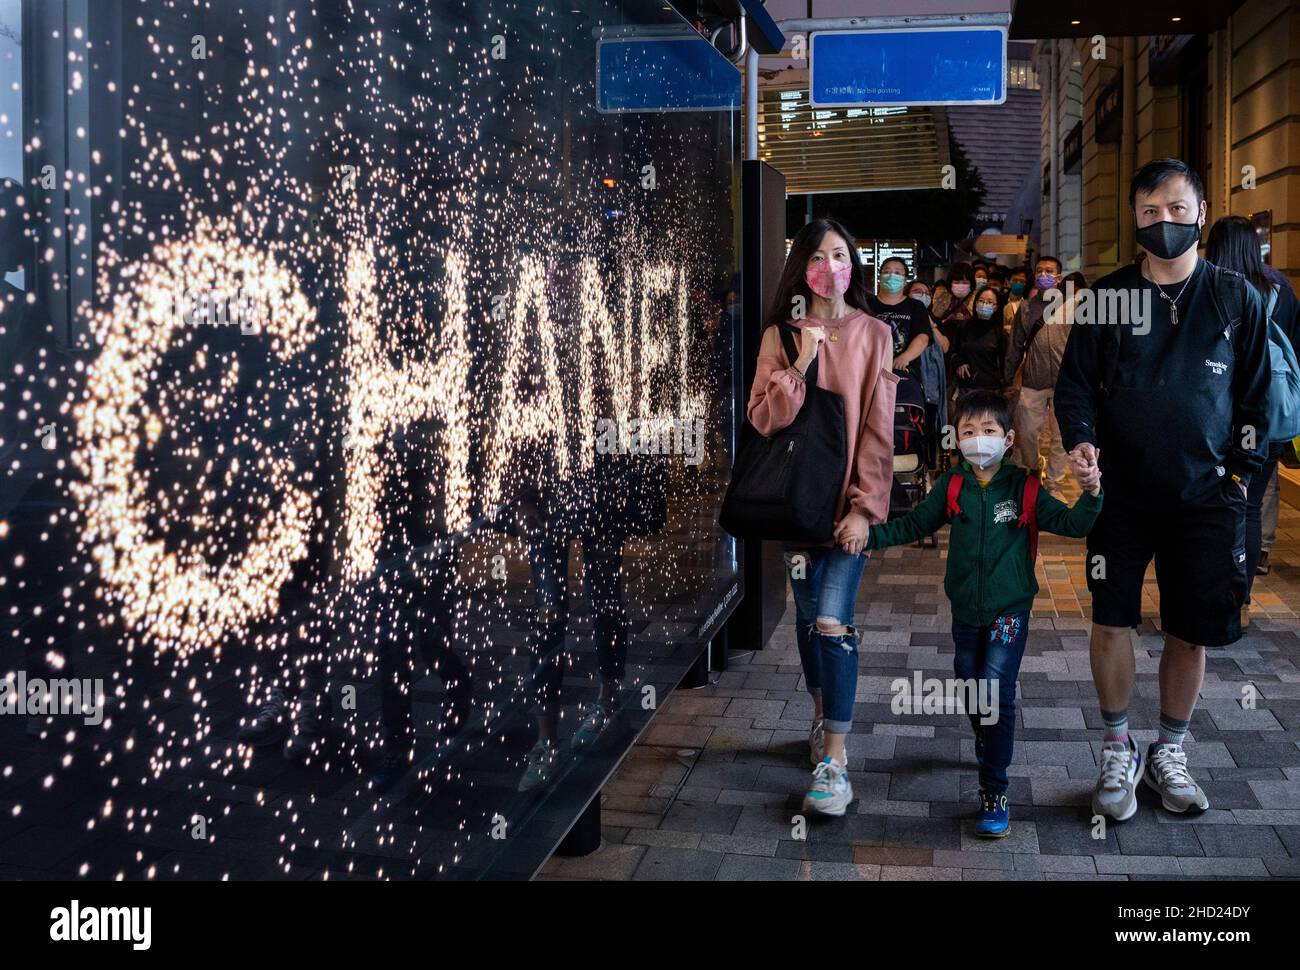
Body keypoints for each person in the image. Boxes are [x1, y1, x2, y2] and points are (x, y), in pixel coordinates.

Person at [1055, 157, 1271, 821]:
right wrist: (1082, 442)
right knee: (1111, 616)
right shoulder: (1108, 298)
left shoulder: (1236, 297)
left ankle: (1168, 752)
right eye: (1151, 212)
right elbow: (1074, 387)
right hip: (1120, 496)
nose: (1165, 222)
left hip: (1207, 500)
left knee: (1191, 628)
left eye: (1177, 209)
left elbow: (1257, 401)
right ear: (1136, 219)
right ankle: (1117, 747)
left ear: (1201, 213)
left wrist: (1235, 476)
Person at [868, 390, 1102, 836]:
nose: (979, 440)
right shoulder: (952, 485)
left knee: (994, 688)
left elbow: (1076, 524)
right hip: (965, 610)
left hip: (1010, 610)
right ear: (956, 439)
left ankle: (994, 787)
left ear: (1009, 439)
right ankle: (987, 735)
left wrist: (1091, 492)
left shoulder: (1025, 488)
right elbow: (915, 525)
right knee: (971, 683)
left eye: (989, 431)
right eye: (969, 432)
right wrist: (868, 538)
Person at [746, 216, 897, 817]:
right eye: (818, 256)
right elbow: (765, 417)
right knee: (809, 622)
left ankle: (834, 762)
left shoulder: (875, 334)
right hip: (796, 512)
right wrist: (801, 361)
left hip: (845, 515)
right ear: (801, 268)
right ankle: (820, 714)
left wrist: (865, 509)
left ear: (853, 263)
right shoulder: (779, 337)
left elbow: (877, 431)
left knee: (833, 622)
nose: (830, 267)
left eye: (841, 254)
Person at [1205, 215, 1300, 591]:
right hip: (1270, 413)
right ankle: (1239, 594)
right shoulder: (1281, 289)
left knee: (1216, 502)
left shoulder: (1210, 286)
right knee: (1250, 503)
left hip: (1220, 414)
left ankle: (1214, 586)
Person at [1002, 257, 1073, 495]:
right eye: (1040, 270)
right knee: (1027, 432)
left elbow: (1082, 346)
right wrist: (1009, 379)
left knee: (1061, 437)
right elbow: (1015, 347)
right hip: (1033, 381)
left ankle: (1054, 485)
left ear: (1059, 278)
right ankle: (1033, 472)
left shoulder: (1072, 306)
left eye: (1049, 271)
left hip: (1065, 383)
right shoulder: (1025, 308)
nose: (1044, 274)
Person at [867, 256, 931, 379]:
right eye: (887, 272)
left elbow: (923, 337)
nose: (891, 276)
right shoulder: (866, 305)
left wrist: (905, 357)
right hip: (870, 370)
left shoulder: (916, 306)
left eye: (897, 273)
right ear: (879, 277)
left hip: (904, 372)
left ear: (905, 279)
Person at [952, 283, 1004, 394]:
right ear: (976, 303)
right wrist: (959, 363)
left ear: (996, 307)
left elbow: (1004, 363)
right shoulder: (964, 327)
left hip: (990, 387)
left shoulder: (1000, 333)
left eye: (990, 302)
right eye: (981, 300)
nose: (984, 304)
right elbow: (954, 351)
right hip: (966, 385)